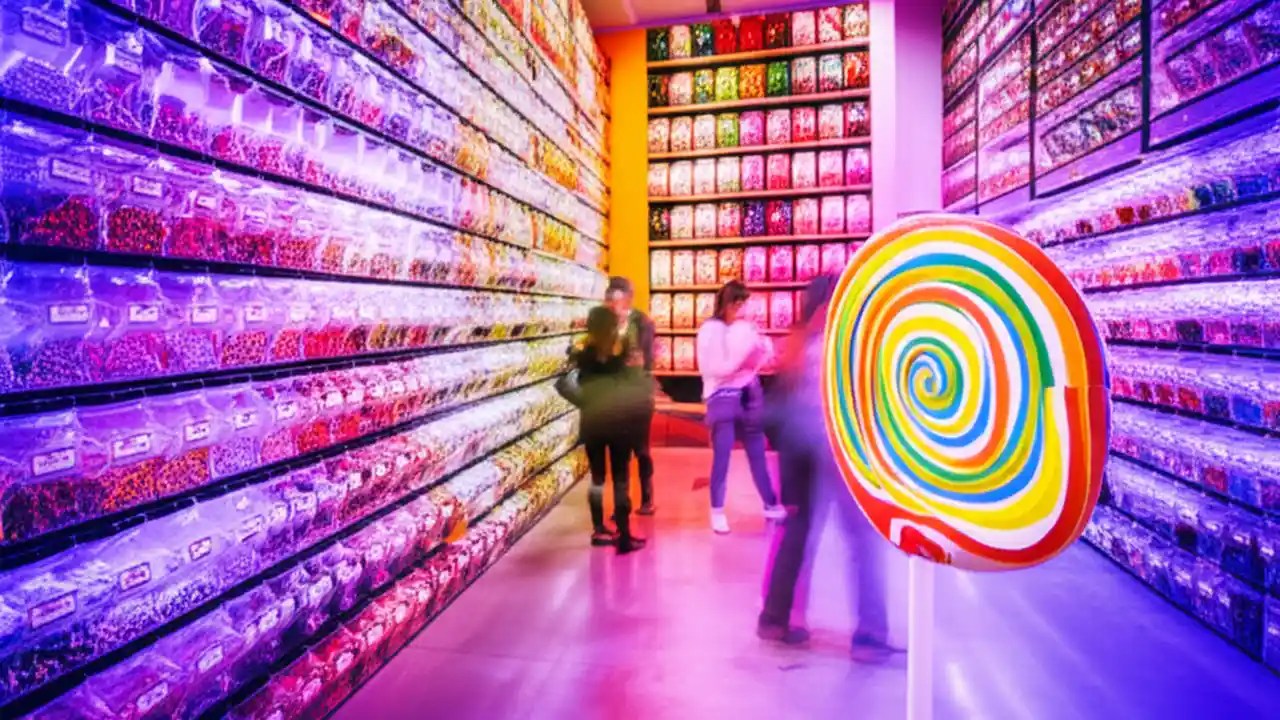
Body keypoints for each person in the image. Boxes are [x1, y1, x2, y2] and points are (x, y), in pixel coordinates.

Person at [758, 275, 898, 663]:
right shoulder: (846, 347)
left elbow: (786, 401)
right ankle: (869, 633)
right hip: (841, 453)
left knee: (798, 536)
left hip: (798, 451)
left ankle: (778, 618)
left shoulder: (799, 343)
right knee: (861, 541)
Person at [696, 280, 784, 535]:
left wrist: (758, 352)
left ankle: (770, 502)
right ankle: (717, 510)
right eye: (740, 303)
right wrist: (741, 356)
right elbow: (715, 368)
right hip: (722, 398)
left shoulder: (746, 328)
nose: (744, 308)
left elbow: (759, 357)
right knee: (722, 457)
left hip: (749, 394)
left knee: (758, 453)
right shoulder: (711, 330)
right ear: (729, 303)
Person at [564, 306, 650, 554]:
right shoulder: (621, 357)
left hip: (592, 423)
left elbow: (568, 384)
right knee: (621, 479)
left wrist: (586, 402)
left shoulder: (583, 356)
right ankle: (624, 534)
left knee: (597, 479)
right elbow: (634, 387)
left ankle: (599, 528)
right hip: (619, 424)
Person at [604, 277, 657, 515]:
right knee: (618, 454)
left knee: (641, 450)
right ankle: (620, 504)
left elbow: (643, 360)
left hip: (638, 397)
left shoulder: (642, 323)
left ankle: (647, 498)